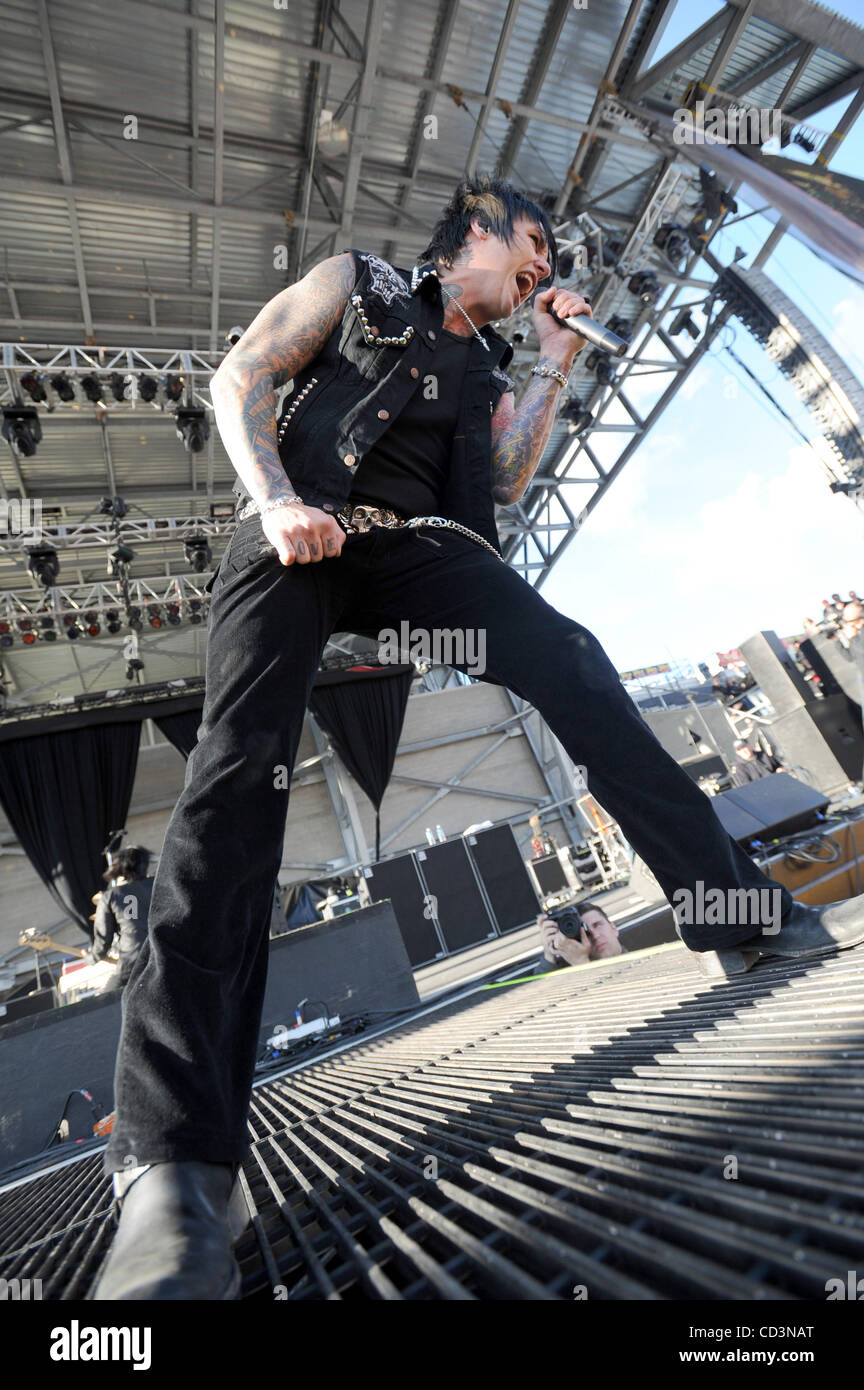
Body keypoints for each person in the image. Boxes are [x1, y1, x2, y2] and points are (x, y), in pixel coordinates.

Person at [93, 173, 864, 1301]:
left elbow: (498, 478)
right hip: (300, 530)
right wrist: (272, 502)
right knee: (234, 781)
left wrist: (551, 357)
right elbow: (242, 374)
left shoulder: (487, 360)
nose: (544, 269)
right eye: (535, 247)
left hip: (421, 552)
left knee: (573, 660)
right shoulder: (357, 283)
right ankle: (174, 1167)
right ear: (476, 226)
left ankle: (731, 913)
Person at [88, 846, 154, 991]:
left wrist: (92, 957)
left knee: (106, 1001)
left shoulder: (112, 895)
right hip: (168, 951)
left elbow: (103, 939)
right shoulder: (160, 884)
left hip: (133, 959)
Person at [535, 901, 626, 971]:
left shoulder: (639, 963)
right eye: (585, 932)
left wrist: (581, 963)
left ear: (613, 928)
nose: (595, 936)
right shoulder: (570, 965)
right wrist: (549, 957)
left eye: (597, 925)